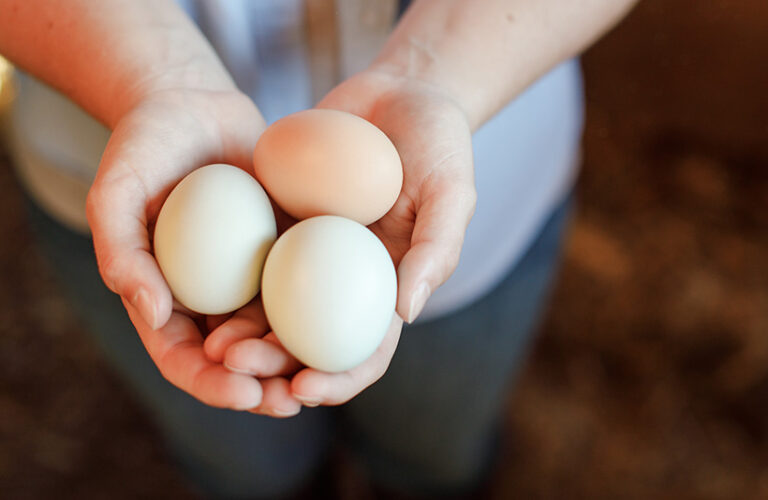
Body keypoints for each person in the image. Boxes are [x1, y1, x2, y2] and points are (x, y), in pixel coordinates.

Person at [0, 0, 637, 497]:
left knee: (432, 457)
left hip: (483, 165)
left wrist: (434, 76)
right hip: (130, 175)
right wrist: (151, 80)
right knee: (247, 469)